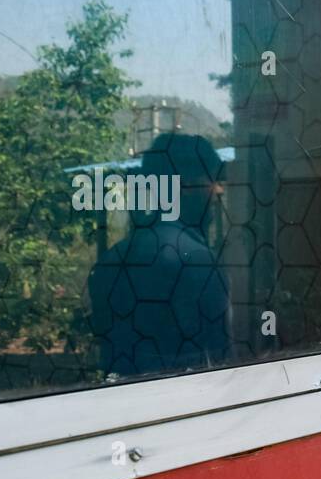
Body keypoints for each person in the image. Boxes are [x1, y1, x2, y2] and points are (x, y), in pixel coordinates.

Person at [87, 133, 232, 378]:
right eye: (212, 179)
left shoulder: (112, 259)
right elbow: (219, 359)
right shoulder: (197, 260)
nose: (217, 191)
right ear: (185, 185)